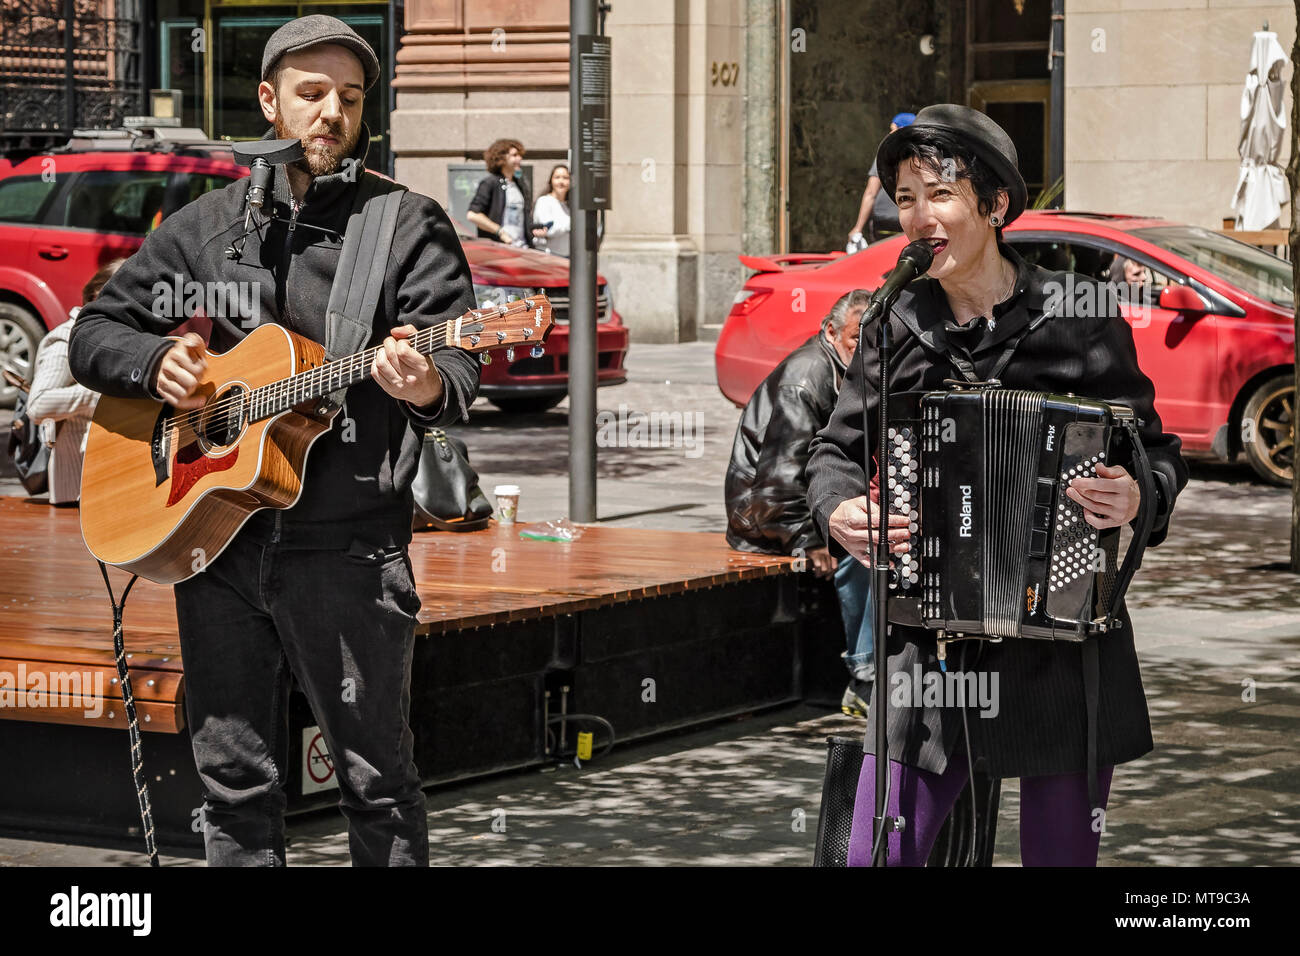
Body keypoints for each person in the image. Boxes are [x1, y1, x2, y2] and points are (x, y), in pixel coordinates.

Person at [68, 15, 480, 867]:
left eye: (350, 99)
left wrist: (427, 382)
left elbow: (461, 360)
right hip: (215, 544)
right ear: (269, 102)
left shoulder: (403, 225)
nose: (332, 112)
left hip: (349, 550)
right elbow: (96, 331)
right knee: (234, 782)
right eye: (313, 93)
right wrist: (156, 365)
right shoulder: (209, 225)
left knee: (377, 781)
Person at [806, 104, 1188, 867]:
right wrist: (839, 509)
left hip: (1060, 650)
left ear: (996, 206)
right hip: (933, 644)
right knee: (875, 857)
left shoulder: (1078, 320)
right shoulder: (897, 324)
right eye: (904, 199)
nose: (917, 216)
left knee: (1059, 859)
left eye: (938, 194)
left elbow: (1158, 450)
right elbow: (834, 450)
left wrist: (1138, 495)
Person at [724, 290, 877, 718]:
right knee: (862, 548)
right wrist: (809, 538)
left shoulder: (851, 371)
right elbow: (777, 480)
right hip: (767, 517)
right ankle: (864, 678)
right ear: (830, 332)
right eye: (854, 339)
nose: (863, 348)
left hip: (809, 506)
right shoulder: (807, 377)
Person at [28, 259, 125, 505]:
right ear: (97, 295)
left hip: (109, 484)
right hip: (75, 489)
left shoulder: (117, 337)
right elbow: (38, 405)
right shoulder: (66, 339)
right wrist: (98, 396)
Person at [848, 112, 916, 248]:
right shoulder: (920, 158)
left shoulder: (886, 154)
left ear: (902, 130)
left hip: (890, 221)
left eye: (893, 129)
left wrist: (858, 227)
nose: (890, 134)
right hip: (901, 221)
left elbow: (871, 193)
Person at [466, 138, 547, 248]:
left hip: (522, 248)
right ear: (501, 158)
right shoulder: (490, 183)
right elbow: (473, 215)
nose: (519, 158)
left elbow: (520, 220)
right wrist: (500, 231)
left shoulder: (520, 185)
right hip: (500, 249)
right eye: (514, 155)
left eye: (519, 155)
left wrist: (534, 229)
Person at [533, 164, 571, 257]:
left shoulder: (568, 206)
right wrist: (573, 222)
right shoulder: (544, 201)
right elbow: (549, 229)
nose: (561, 181)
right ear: (551, 181)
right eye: (557, 177)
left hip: (566, 256)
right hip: (548, 256)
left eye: (565, 178)